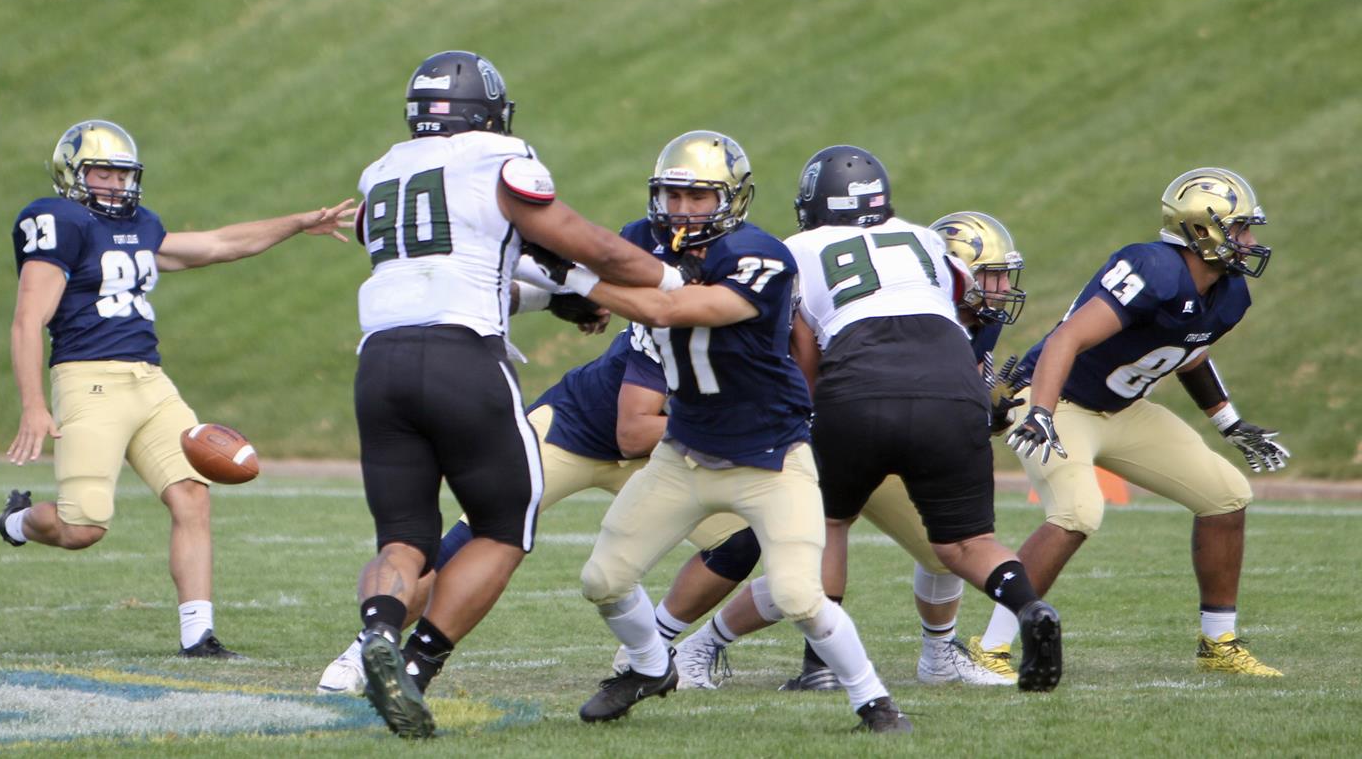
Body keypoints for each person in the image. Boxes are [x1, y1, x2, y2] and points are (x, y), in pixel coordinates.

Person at [347, 52, 674, 739]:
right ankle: (415, 666)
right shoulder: (498, 157)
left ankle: (377, 630)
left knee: (404, 538)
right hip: (462, 355)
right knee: (503, 524)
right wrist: (667, 281)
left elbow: (476, 256)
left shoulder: (382, 172)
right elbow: (580, 242)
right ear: (486, 111)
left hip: (378, 360)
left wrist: (557, 299)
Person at [667, 149, 1061, 699]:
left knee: (824, 529)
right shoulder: (927, 240)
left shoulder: (794, 249)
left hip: (857, 391)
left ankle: (813, 662)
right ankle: (1029, 606)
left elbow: (803, 344)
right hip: (951, 392)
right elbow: (953, 326)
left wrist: (804, 412)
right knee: (969, 542)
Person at [563, 132, 915, 733]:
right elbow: (606, 278)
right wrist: (544, 288)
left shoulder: (763, 256)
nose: (681, 210)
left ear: (732, 198)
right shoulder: (643, 238)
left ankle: (876, 704)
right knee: (603, 579)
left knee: (801, 595)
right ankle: (651, 667)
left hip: (770, 458)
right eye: (672, 195)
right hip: (685, 454)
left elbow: (669, 309)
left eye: (698, 196)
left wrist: (576, 283)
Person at [0, 119, 356, 658]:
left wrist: (298, 222)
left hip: (151, 381)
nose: (114, 185)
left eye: (121, 174)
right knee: (82, 526)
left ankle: (198, 636)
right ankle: (18, 520)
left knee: (192, 495)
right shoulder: (58, 221)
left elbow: (217, 244)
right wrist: (33, 405)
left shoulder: (142, 225)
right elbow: (28, 319)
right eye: (101, 173)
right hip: (88, 380)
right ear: (70, 174)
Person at [315, 292, 758, 694]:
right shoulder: (679, 319)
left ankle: (653, 648)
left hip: (659, 455)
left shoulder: (761, 342)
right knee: (479, 535)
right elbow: (634, 430)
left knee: (738, 542)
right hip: (575, 430)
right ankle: (368, 648)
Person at [985, 167, 1286, 677]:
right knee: (1078, 512)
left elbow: (1188, 353)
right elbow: (1065, 340)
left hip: (1122, 410)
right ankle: (990, 646)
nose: (1250, 241)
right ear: (1201, 230)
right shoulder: (1152, 268)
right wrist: (1039, 411)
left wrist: (1229, 422)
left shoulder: (1229, 293)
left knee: (1226, 495)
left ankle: (1219, 643)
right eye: (1239, 229)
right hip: (1055, 400)